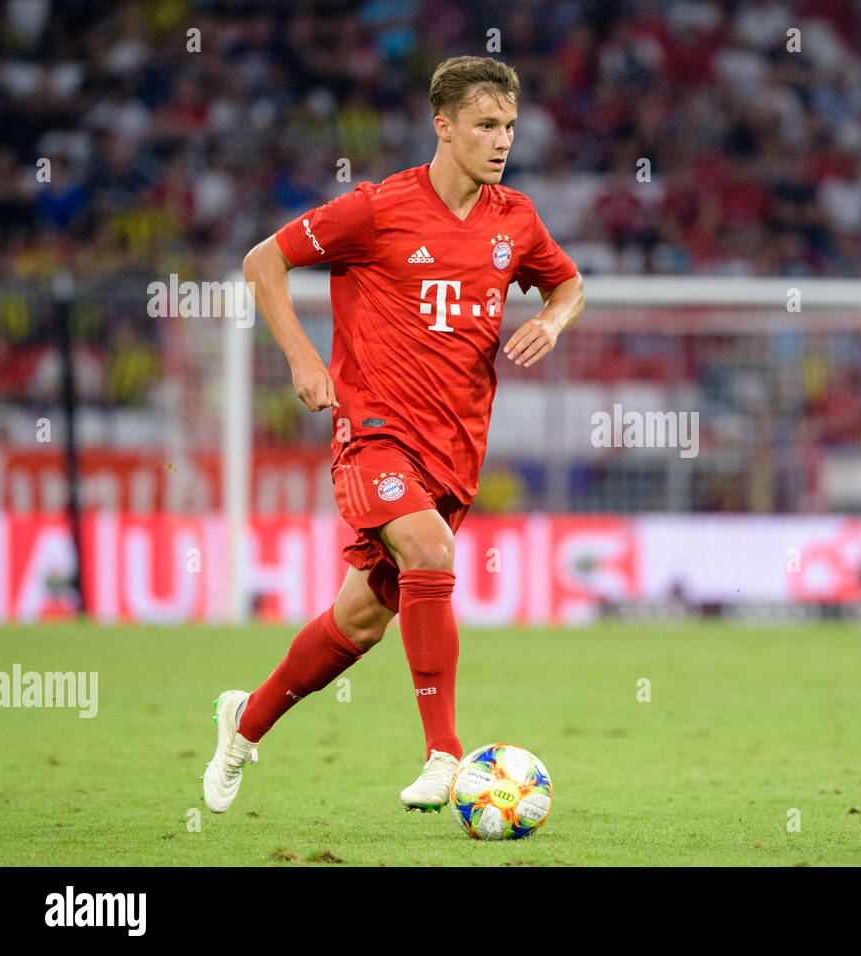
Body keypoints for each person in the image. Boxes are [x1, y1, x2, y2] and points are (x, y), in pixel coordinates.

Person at [202, 56, 584, 814]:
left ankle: (242, 724)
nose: (501, 140)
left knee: (361, 619)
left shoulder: (517, 219)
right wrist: (306, 361)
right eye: (485, 125)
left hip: (454, 452)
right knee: (431, 552)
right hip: (372, 433)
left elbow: (569, 282)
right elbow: (263, 260)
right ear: (442, 127)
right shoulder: (378, 210)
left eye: (509, 126)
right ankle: (444, 753)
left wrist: (548, 317)